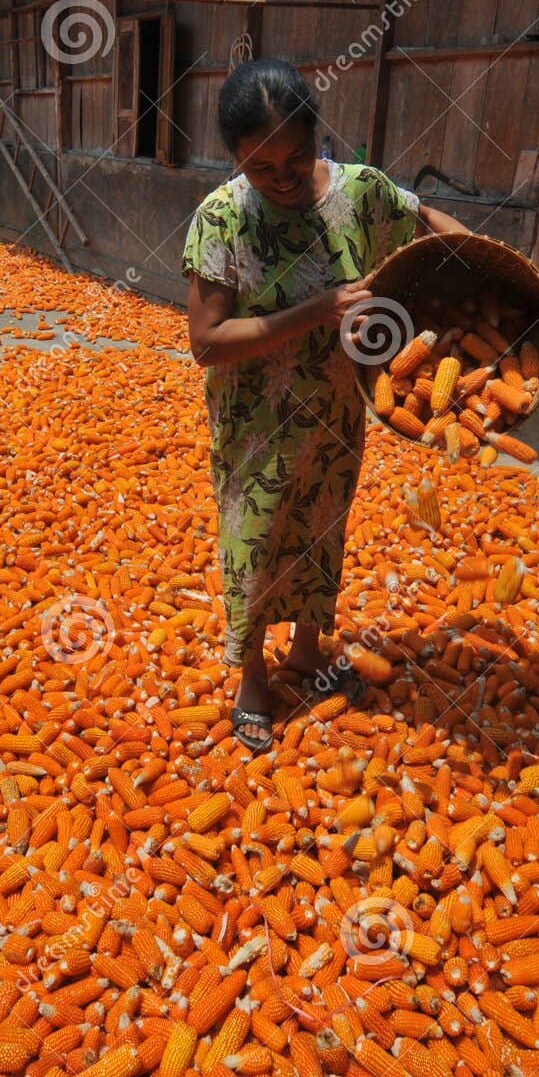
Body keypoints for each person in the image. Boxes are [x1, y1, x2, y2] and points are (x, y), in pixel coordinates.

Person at [181, 57, 469, 754]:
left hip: (337, 405)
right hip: (254, 418)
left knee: (320, 529)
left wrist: (469, 258)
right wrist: (315, 310)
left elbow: (422, 214)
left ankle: (305, 652)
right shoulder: (221, 219)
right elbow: (207, 343)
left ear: (318, 139)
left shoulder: (360, 194)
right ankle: (251, 675)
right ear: (233, 158)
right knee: (253, 538)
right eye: (259, 167)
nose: (281, 179)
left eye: (295, 159)